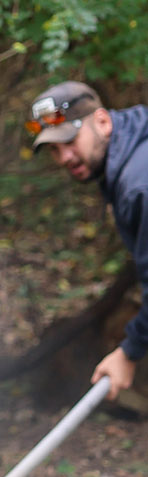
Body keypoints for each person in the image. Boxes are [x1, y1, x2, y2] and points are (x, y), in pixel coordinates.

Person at [31, 80, 148, 393]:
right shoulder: (132, 158)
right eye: (54, 150)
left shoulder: (140, 184)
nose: (65, 157)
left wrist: (130, 350)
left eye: (70, 140)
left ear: (103, 122)